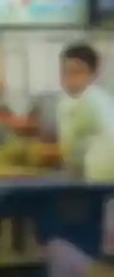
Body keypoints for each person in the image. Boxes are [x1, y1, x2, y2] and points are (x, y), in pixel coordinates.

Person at [57, 42, 114, 181]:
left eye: (77, 72)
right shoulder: (67, 102)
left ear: (93, 74)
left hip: (101, 181)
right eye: (65, 72)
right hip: (84, 179)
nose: (70, 79)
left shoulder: (95, 101)